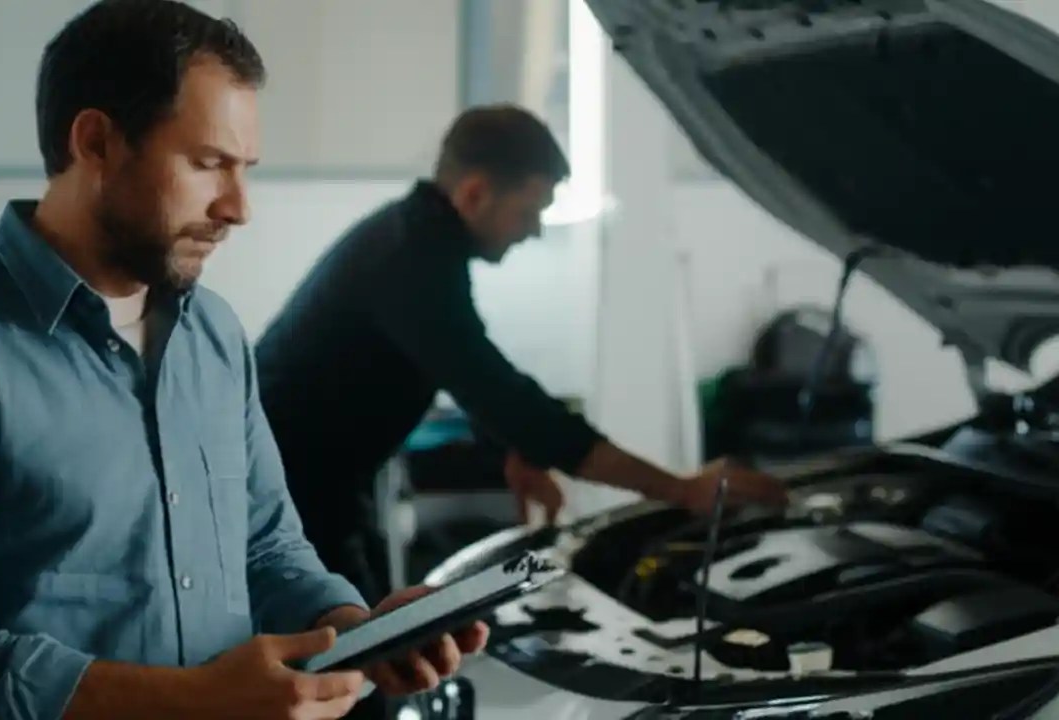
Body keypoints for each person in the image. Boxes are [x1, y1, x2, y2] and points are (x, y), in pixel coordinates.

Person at [0, 2, 485, 719]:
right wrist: (194, 701)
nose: (238, 207)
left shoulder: (214, 335)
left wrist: (358, 632)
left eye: (245, 170)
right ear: (96, 143)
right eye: (208, 164)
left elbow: (266, 548)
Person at [256, 105, 789, 605]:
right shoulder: (408, 262)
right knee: (348, 658)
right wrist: (681, 489)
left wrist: (516, 447)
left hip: (316, 484)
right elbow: (506, 397)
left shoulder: (416, 240)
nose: (534, 230)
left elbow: (466, 370)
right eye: (530, 210)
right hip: (283, 497)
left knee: (371, 637)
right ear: (475, 193)